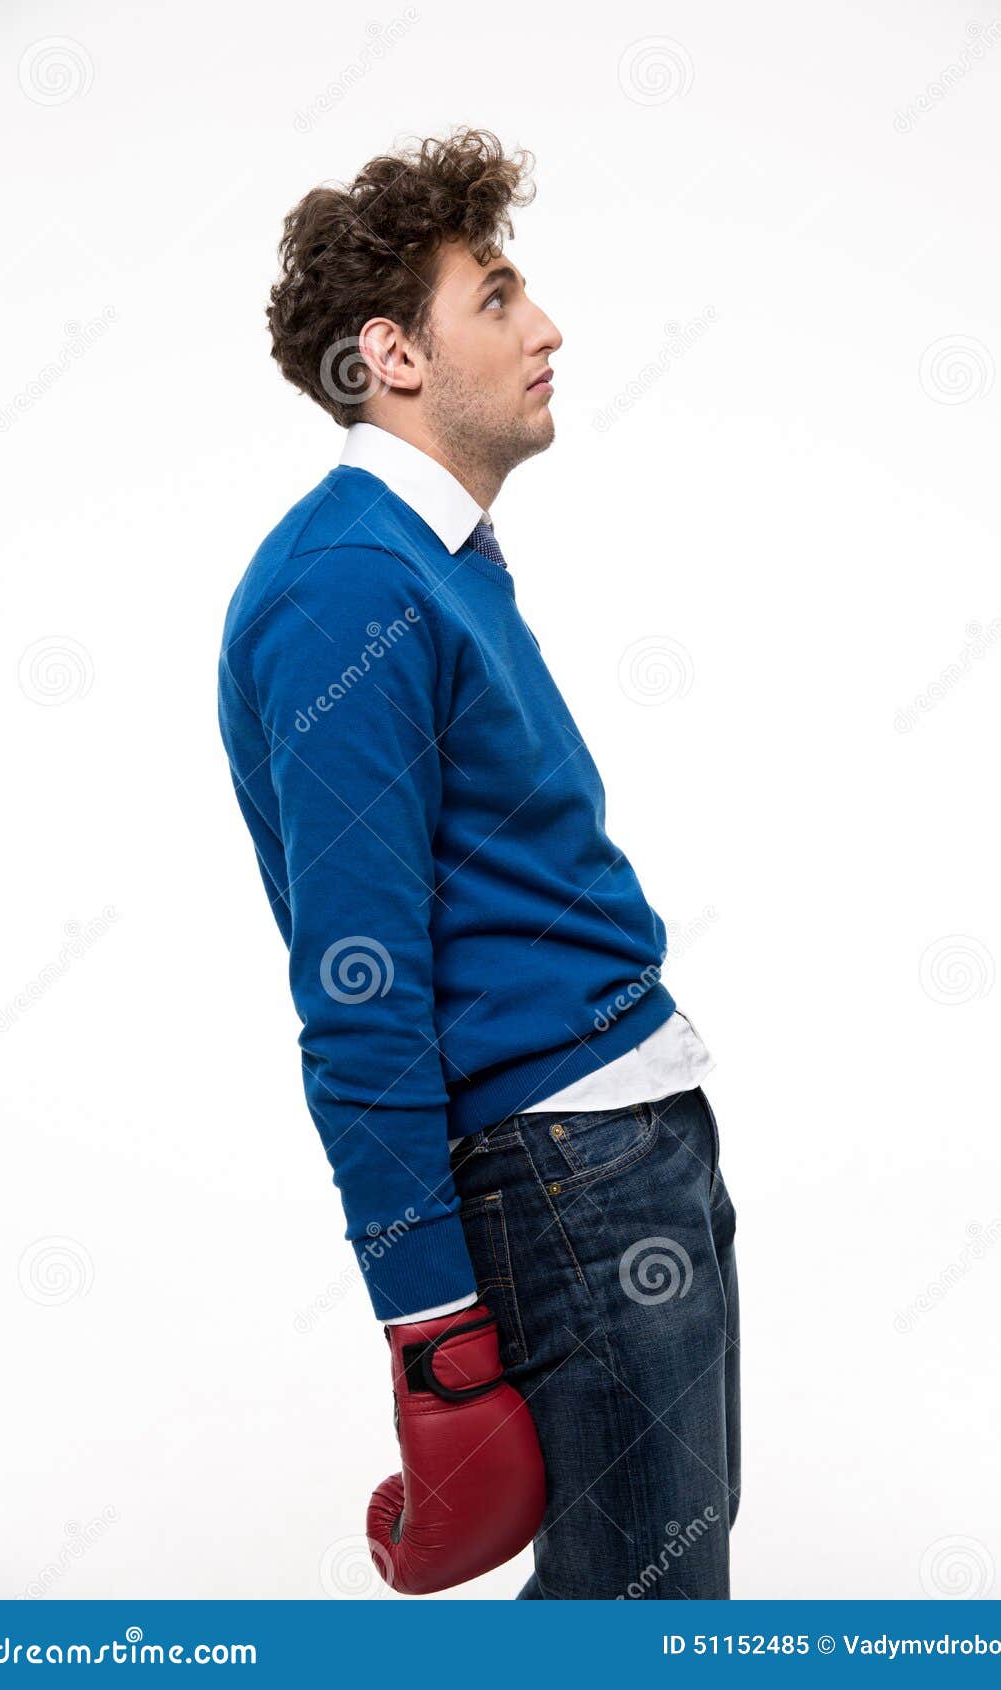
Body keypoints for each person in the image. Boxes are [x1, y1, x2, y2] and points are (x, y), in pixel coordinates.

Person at [217, 126, 739, 1599]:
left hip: (623, 1151)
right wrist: (431, 1333)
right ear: (389, 351)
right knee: (640, 1626)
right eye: (498, 295)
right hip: (565, 1178)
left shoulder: (430, 558)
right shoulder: (347, 591)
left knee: (657, 1604)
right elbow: (358, 984)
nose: (548, 326)